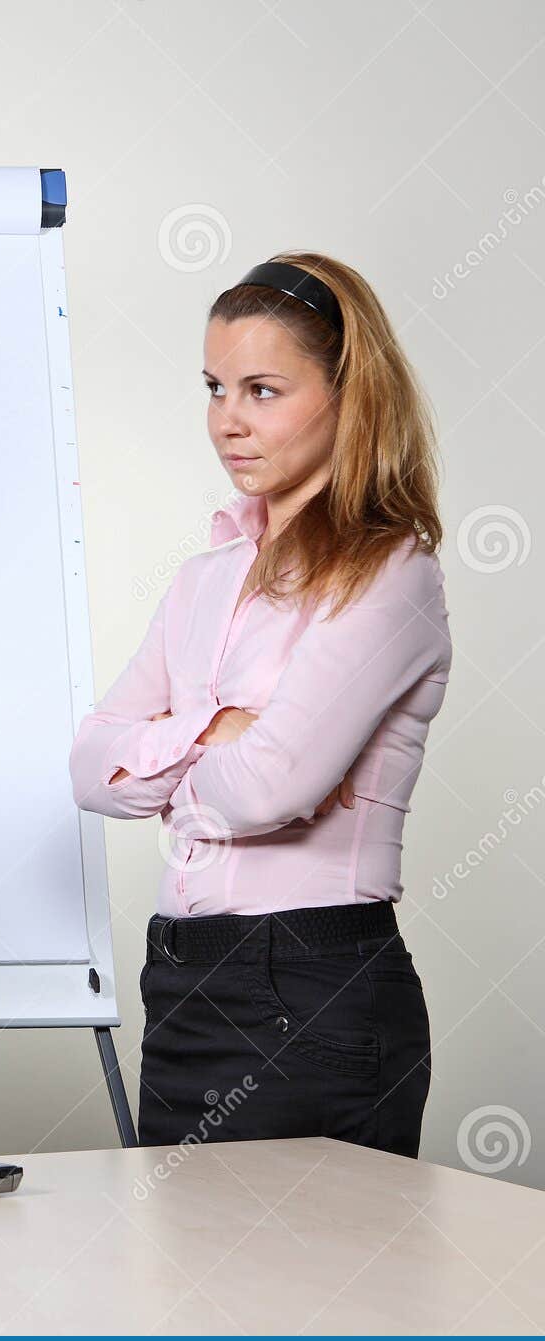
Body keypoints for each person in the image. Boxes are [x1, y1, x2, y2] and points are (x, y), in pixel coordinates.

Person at [69, 253, 449, 1158]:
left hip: (312, 984)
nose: (228, 422)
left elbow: (264, 791)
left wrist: (166, 760)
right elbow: (88, 765)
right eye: (215, 388)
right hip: (185, 982)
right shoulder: (203, 580)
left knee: (305, 1291)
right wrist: (214, 734)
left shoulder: (392, 572)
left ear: (349, 397)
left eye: (263, 390)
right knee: (184, 1292)